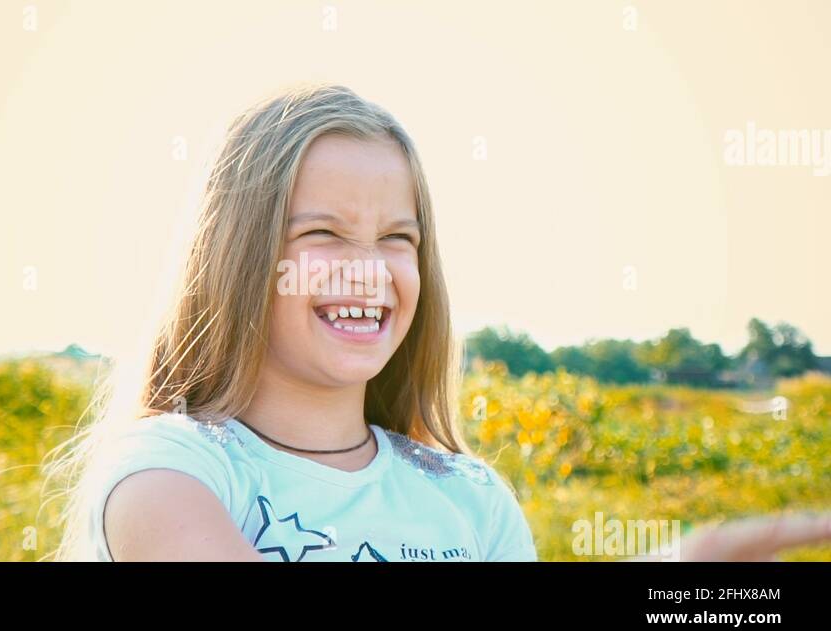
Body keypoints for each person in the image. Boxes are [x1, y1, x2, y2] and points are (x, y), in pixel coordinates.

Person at [46, 82, 830, 562]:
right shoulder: (169, 472)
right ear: (237, 256)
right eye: (323, 234)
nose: (372, 268)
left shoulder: (469, 496)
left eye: (398, 238)